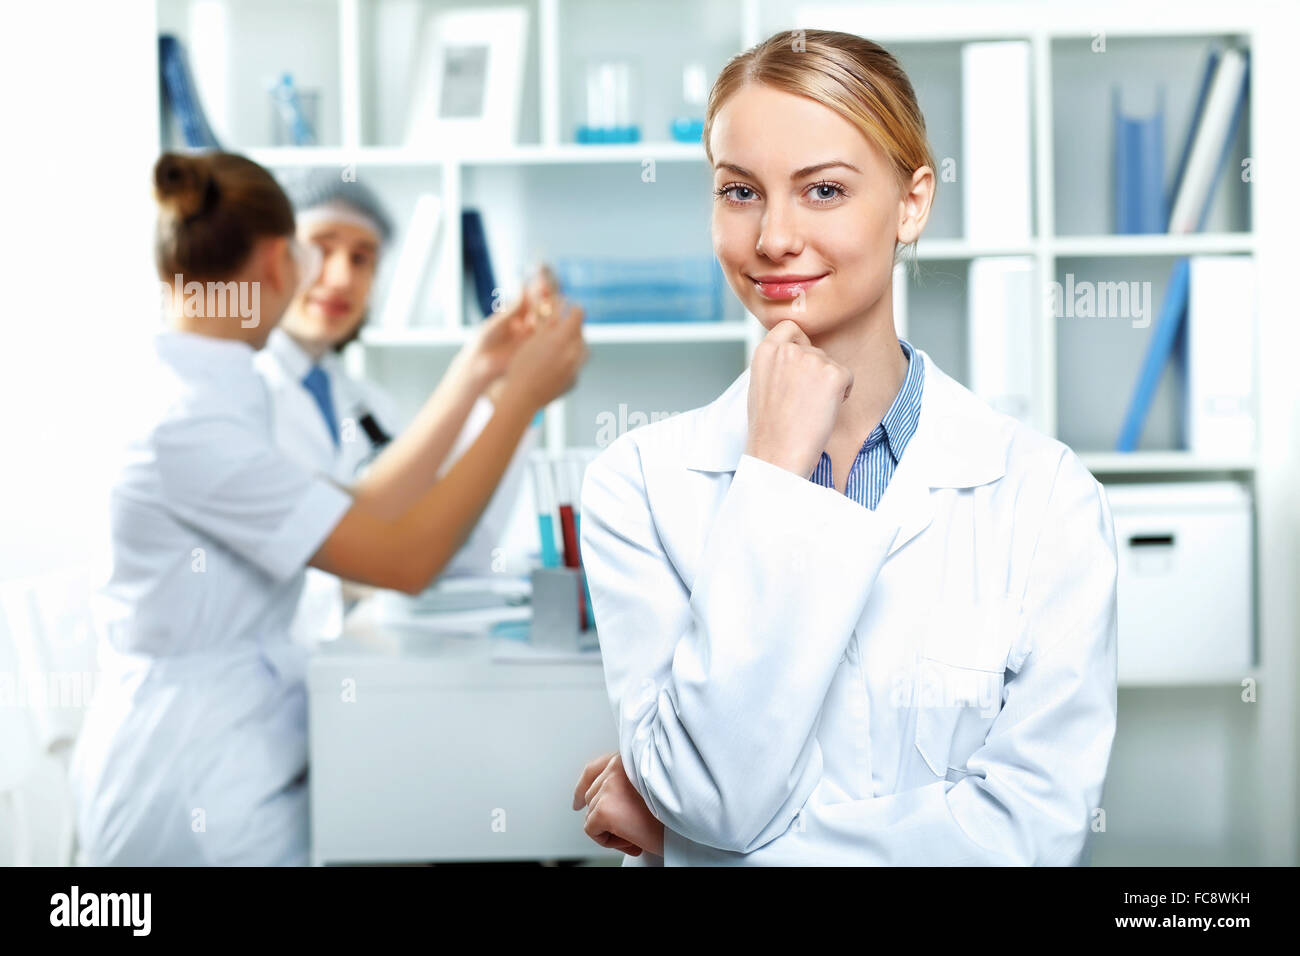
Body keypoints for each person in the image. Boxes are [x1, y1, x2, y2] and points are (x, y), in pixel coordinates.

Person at [571, 29, 1118, 866]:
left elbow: (1028, 836)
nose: (773, 238)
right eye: (739, 191)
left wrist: (686, 847)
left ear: (912, 203)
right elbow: (716, 797)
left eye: (823, 190)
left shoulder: (1046, 497)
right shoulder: (636, 487)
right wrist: (771, 475)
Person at [70, 150, 587, 866]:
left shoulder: (204, 401)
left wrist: (478, 374)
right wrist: (522, 403)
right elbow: (402, 560)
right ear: (283, 262)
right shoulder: (191, 425)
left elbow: (360, 505)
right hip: (192, 784)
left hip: (234, 754)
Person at [254, 170, 543, 645]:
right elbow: (366, 559)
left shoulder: (371, 406)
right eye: (321, 250)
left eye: (362, 259)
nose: (343, 276)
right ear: (276, 260)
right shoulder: (244, 395)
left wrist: (512, 398)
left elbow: (457, 539)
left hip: (357, 670)